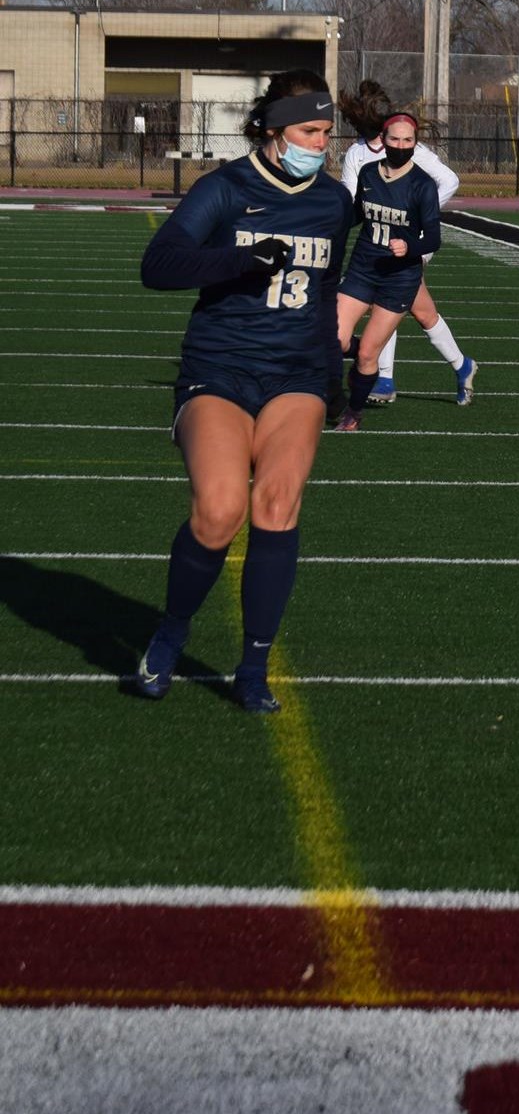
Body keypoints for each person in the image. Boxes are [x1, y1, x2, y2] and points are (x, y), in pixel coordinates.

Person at [133, 69, 351, 714]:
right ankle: (171, 632)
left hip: (298, 374)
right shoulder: (225, 189)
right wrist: (238, 260)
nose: (322, 142)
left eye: (327, 131)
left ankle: (253, 667)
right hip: (221, 368)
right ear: (275, 130)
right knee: (221, 509)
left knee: (278, 505)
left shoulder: (336, 202)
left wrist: (335, 382)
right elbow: (158, 265)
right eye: (311, 130)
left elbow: (324, 299)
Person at [337, 80, 476, 407]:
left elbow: (449, 181)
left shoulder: (409, 150)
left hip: (412, 242)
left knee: (388, 302)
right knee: (422, 311)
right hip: (377, 244)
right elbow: (349, 200)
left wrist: (416, 219)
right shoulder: (356, 155)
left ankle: (384, 378)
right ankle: (461, 365)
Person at [330, 111, 443, 431]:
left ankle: (352, 413)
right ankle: (347, 381)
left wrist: (411, 247)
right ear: (383, 139)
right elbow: (354, 216)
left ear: (415, 143)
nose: (400, 145)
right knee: (333, 338)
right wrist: (325, 222)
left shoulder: (422, 185)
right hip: (363, 268)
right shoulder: (368, 173)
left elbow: (434, 237)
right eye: (394, 139)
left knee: (367, 355)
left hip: (400, 277)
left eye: (408, 140)